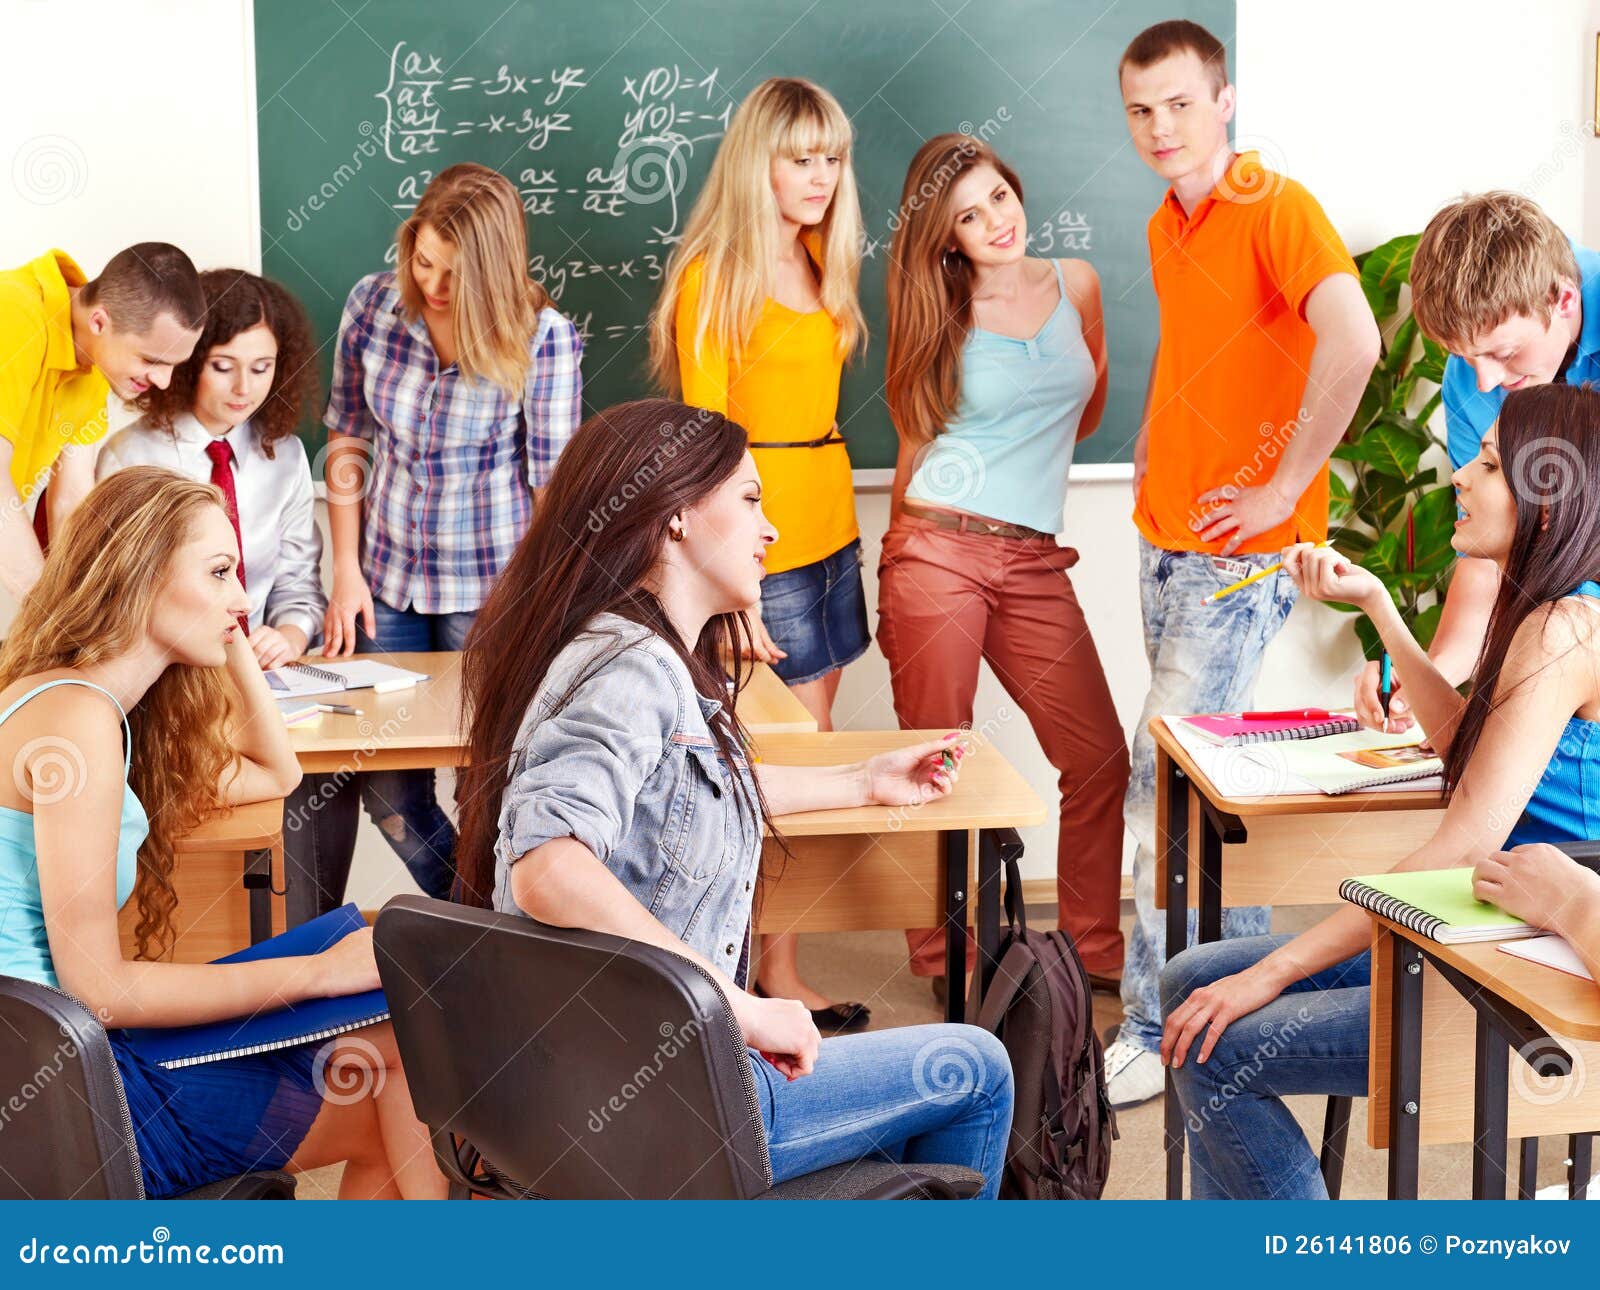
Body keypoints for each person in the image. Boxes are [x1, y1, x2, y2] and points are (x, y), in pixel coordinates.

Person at [453, 398, 1014, 1196]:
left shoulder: (633, 648)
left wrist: (861, 781)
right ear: (675, 515)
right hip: (668, 1100)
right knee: (977, 1066)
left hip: (592, 1085)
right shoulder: (631, 668)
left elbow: (685, 796)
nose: (772, 529)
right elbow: (546, 866)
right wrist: (735, 1006)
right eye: (751, 499)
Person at [1162, 383, 1600, 1199]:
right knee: (1191, 978)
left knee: (1212, 1038)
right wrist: (1380, 609)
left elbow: (1463, 842)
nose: (1461, 479)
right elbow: (1475, 757)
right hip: (1487, 926)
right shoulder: (1542, 609)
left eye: (1490, 465)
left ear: (1548, 499)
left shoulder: (1567, 627)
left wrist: (1276, 972)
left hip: (1532, 965)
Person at [0, 467, 445, 1200]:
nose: (243, 596)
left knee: (388, 1025)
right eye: (219, 572)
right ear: (139, 577)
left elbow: (277, 773)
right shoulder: (77, 723)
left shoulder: (74, 704)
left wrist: (229, 633)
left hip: (57, 1055)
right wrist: (321, 973)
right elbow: (99, 987)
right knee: (395, 1066)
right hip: (57, 1093)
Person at [1106, 18, 1380, 1108]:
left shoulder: (1275, 205)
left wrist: (1276, 490)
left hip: (1241, 554)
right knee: (1205, 783)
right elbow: (1202, 349)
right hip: (1163, 538)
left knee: (1157, 780)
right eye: (1139, 110)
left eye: (1178, 103)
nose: (1159, 127)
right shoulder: (1166, 223)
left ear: (1222, 99)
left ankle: (1144, 1022)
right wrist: (1150, 436)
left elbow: (1352, 338)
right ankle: (1230, 994)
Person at [880, 134, 1128, 1002]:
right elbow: (916, 441)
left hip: (1030, 559)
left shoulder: (1079, 285)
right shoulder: (933, 312)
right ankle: (946, 961)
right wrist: (893, 567)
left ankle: (1095, 950)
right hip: (937, 548)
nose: (994, 222)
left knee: (1099, 757)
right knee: (934, 763)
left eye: (997, 197)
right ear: (946, 237)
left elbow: (1084, 410)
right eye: (969, 216)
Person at [648, 77, 872, 1030]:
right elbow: (702, 444)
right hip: (760, 547)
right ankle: (734, 976)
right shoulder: (713, 275)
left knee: (809, 760)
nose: (820, 177)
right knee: (753, 760)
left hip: (831, 529)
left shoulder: (830, 261)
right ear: (758, 162)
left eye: (831, 158)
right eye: (799, 158)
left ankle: (781, 964)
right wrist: (729, 590)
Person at [319, 162, 583, 912]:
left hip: (491, 594)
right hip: (386, 583)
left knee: (491, 784)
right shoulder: (372, 306)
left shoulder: (544, 338)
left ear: (495, 271)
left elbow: (551, 493)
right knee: (387, 790)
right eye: (423, 260)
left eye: (453, 274)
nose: (431, 284)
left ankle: (484, 942)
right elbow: (346, 438)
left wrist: (531, 610)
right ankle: (473, 920)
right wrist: (345, 566)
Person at [1352, 191, 1600, 734]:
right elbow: (1488, 551)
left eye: (1505, 354)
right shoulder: (1470, 380)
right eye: (1465, 356)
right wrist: (1428, 679)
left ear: (1563, 300)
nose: (1487, 382)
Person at [97, 269, 324, 671]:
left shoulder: (285, 457)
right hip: (163, 675)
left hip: (260, 675)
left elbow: (298, 586)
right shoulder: (131, 456)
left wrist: (290, 635)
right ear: (189, 363)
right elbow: (116, 597)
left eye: (261, 368)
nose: (244, 388)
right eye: (223, 367)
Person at [0, 244, 203, 598]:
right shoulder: (13, 313)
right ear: (99, 321)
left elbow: (71, 501)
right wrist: (50, 614)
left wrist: (90, 607)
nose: (164, 382)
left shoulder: (96, 366)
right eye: (152, 359)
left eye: (174, 365)